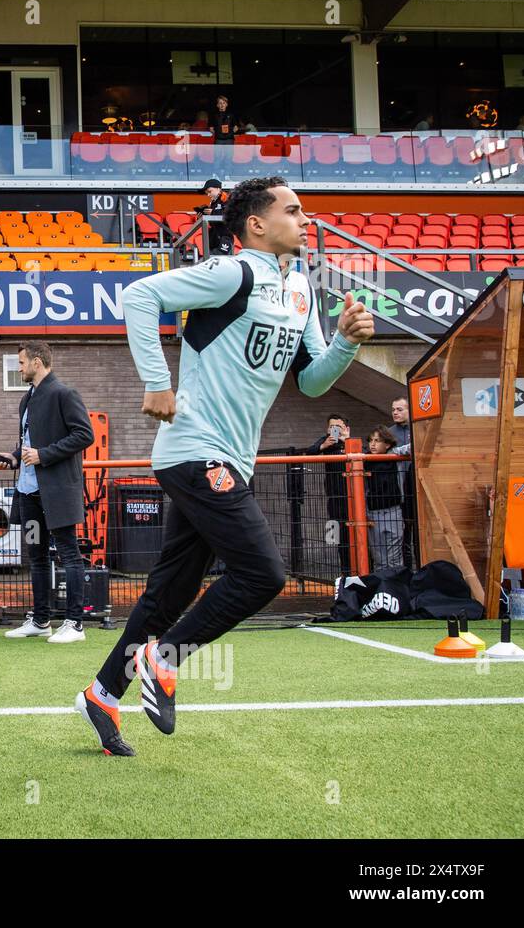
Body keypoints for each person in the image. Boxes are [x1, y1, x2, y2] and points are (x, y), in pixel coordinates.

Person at [75, 175, 375, 757]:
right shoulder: (232, 272)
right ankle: (164, 659)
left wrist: (345, 345)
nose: (304, 218)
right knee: (263, 573)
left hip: (228, 457)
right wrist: (157, 383)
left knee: (169, 594)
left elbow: (311, 384)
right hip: (194, 449)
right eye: (292, 210)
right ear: (256, 225)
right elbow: (139, 296)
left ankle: (102, 695)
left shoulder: (302, 291)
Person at [0, 343, 96, 643]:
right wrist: (15, 456)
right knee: (36, 556)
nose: (20, 367)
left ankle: (75, 624)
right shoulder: (28, 398)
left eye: (22, 362)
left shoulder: (64, 394)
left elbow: (84, 435)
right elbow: (30, 440)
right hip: (28, 491)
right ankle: (40, 620)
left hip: (56, 491)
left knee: (69, 554)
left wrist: (44, 455)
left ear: (37, 362)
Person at [306, 412, 352, 577]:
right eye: (331, 427)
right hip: (334, 497)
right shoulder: (326, 441)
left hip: (354, 498)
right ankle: (345, 573)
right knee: (339, 537)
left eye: (338, 427)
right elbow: (309, 452)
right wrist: (323, 446)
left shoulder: (351, 442)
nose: (334, 430)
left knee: (358, 537)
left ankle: (362, 571)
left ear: (346, 428)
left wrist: (346, 442)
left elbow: (366, 454)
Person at [365, 425, 407, 574]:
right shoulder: (364, 459)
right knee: (380, 559)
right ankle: (382, 590)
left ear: (387, 444)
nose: (373, 444)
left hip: (393, 511)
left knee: (394, 558)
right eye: (371, 440)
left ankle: (395, 589)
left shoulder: (394, 456)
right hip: (373, 513)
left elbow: (410, 448)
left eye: (377, 441)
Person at [389, 395, 416, 568]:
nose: (395, 412)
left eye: (400, 409)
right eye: (393, 409)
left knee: (419, 534)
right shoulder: (389, 433)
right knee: (403, 534)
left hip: (416, 485)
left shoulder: (417, 428)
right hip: (399, 488)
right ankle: (406, 571)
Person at [195, 178, 233, 256]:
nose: (208, 195)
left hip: (224, 237)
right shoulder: (213, 202)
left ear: (218, 189)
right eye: (207, 193)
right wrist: (202, 216)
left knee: (221, 261)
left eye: (210, 191)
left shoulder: (227, 198)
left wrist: (213, 212)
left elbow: (231, 214)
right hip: (213, 239)